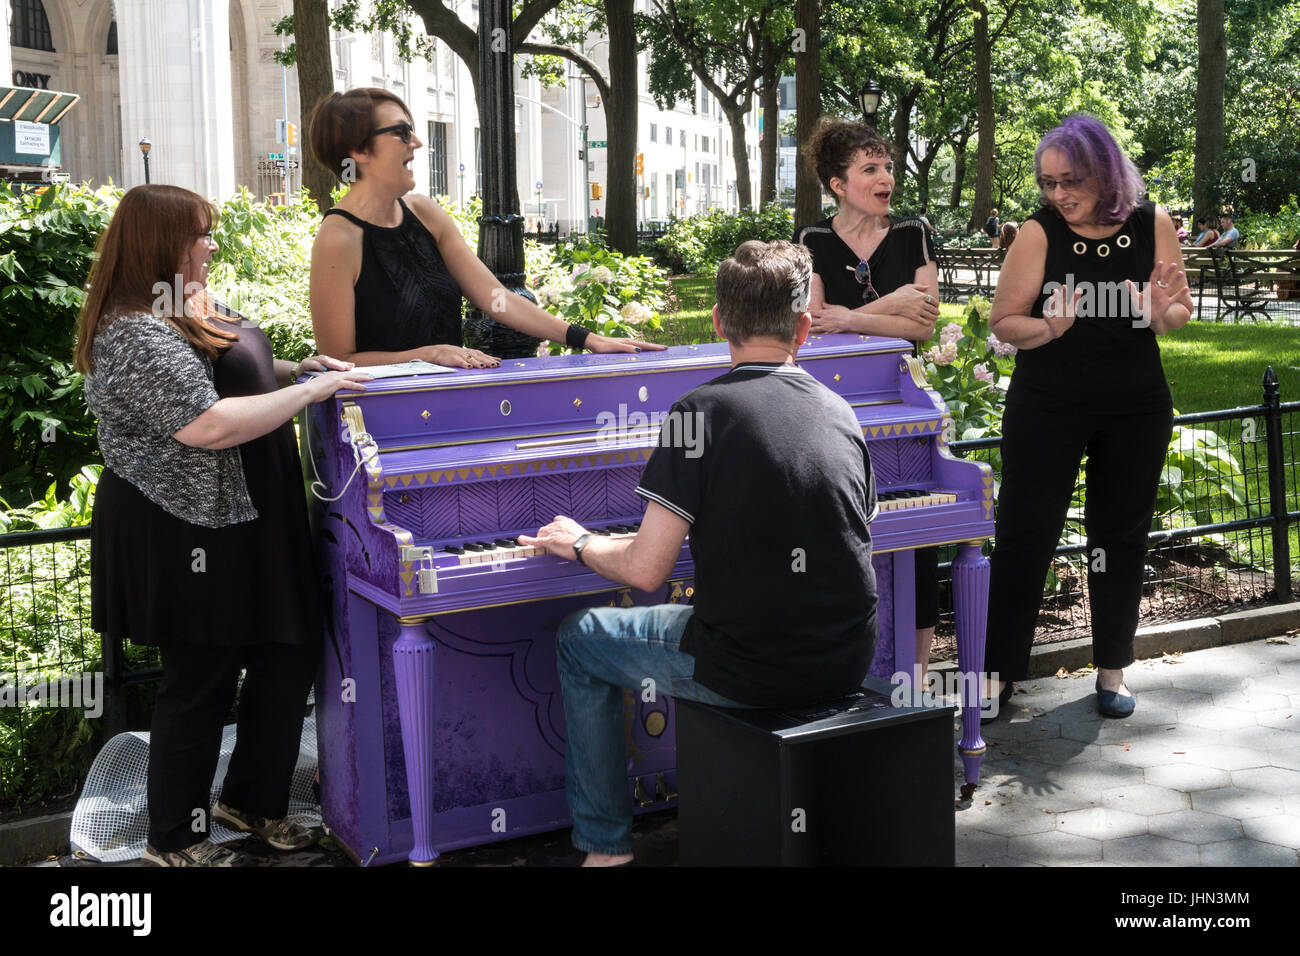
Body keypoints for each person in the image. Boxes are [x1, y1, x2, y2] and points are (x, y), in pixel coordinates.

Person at [519, 241, 879, 866]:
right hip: (845, 660)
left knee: (581, 636)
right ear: (803, 327)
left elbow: (646, 570)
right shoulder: (840, 409)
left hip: (749, 670)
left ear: (716, 322)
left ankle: (605, 848)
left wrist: (579, 542)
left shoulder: (698, 412)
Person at [76, 184, 372, 865]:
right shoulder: (132, 334)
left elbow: (237, 373)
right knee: (201, 680)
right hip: (186, 528)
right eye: (199, 235)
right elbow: (205, 424)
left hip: (247, 521)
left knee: (284, 654)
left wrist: (302, 367)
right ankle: (172, 841)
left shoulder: (180, 310)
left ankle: (252, 802)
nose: (211, 244)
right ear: (160, 246)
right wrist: (310, 393)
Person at [982, 114, 1192, 719]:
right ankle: (997, 677)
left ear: (1104, 172)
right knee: (1025, 535)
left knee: (1120, 536)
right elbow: (1003, 323)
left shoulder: (1152, 224)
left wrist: (1159, 311)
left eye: (1069, 180)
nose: (1058, 194)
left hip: (1135, 407)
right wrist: (1049, 326)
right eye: (1048, 182)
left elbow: (1177, 313)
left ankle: (1113, 670)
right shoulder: (1038, 233)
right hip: (1047, 407)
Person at [308, 88, 660, 367]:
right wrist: (427, 354)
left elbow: (498, 299)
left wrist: (587, 339)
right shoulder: (338, 237)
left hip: (450, 405)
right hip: (386, 427)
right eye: (402, 132)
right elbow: (339, 361)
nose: (417, 142)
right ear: (358, 151)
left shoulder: (426, 214)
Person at [792, 119, 939, 681]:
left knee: (918, 538)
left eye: (889, 168)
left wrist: (854, 316)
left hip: (904, 403)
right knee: (838, 531)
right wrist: (895, 303)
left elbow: (923, 327)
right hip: (834, 407)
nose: (886, 179)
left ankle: (918, 675)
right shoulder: (813, 242)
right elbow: (813, 325)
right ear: (838, 183)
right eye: (870, 169)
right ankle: (841, 668)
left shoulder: (912, 234)